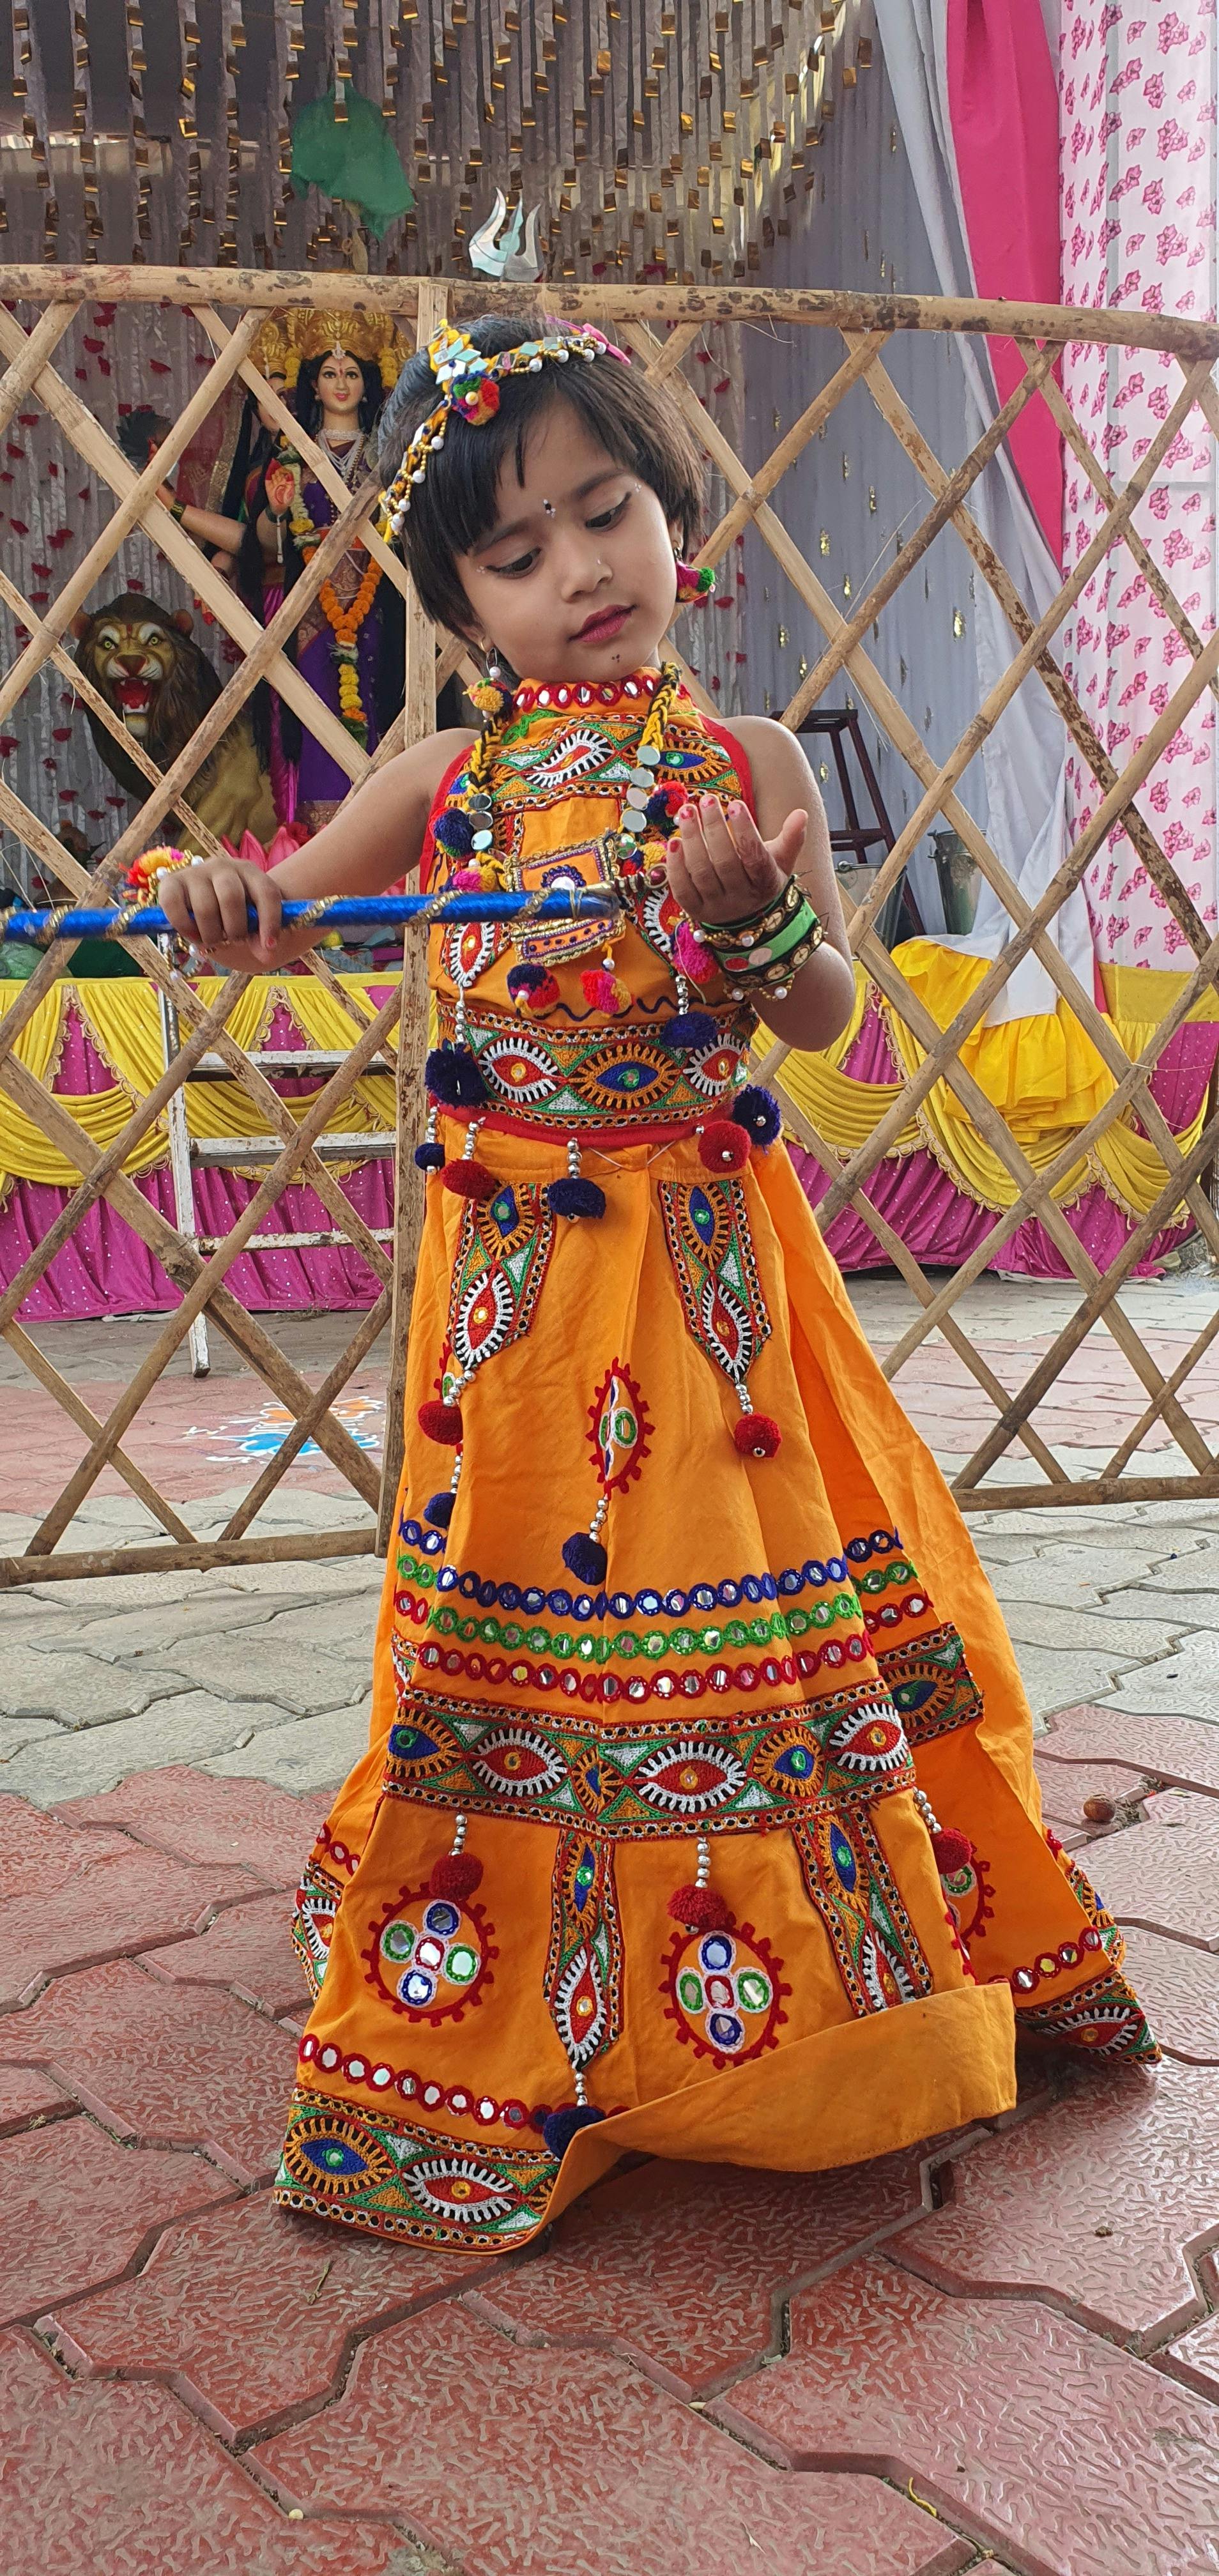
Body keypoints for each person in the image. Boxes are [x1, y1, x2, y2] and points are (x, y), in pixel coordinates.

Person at [160, 311, 1155, 2258]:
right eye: (516, 556)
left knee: (744, 1619)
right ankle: (506, 1995)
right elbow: (277, 914)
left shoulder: (745, 758)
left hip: (709, 1309)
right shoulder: (443, 776)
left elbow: (829, 1009)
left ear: (672, 509)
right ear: (458, 603)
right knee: (504, 1617)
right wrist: (217, 904)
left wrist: (761, 922)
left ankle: (796, 1998)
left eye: (604, 514)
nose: (577, 574)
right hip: (511, 1322)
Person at [256, 310, 405, 834]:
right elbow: (264, 545)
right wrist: (277, 512)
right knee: (316, 723)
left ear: (367, 386)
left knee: (382, 709)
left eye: (351, 373)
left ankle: (384, 837)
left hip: (378, 613)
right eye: (329, 374)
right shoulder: (293, 456)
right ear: (314, 386)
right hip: (313, 619)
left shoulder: (389, 459)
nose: (341, 383)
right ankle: (323, 842)